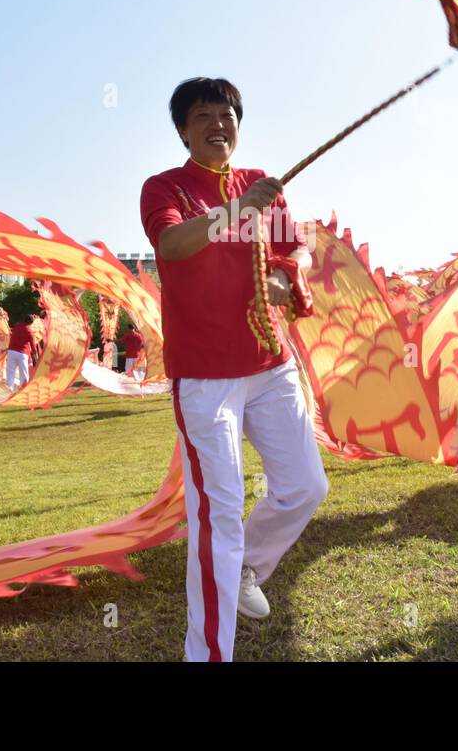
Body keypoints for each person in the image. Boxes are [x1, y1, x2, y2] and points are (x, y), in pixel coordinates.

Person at [140, 76, 328, 662]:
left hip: (271, 364)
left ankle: (247, 567)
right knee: (218, 513)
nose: (218, 126)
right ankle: (209, 653)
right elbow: (172, 246)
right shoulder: (165, 187)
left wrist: (283, 277)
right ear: (182, 130)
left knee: (305, 486)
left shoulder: (262, 185)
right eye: (203, 116)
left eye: (227, 116)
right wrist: (236, 210)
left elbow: (292, 250)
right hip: (204, 376)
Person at [6, 316, 34, 392]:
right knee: (24, 373)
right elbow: (32, 344)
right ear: (31, 323)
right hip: (22, 353)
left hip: (11, 351)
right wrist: (35, 354)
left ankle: (10, 389)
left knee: (10, 372)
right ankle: (23, 390)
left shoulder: (17, 325)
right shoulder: (30, 331)